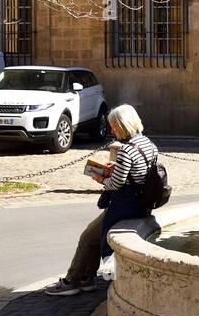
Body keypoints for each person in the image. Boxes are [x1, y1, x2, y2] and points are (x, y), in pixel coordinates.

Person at [45, 104, 159, 297]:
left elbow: (115, 184)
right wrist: (116, 166)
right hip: (141, 203)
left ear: (124, 125)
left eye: (114, 126)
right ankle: (85, 278)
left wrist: (100, 178)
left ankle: (72, 281)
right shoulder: (149, 144)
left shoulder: (126, 150)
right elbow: (139, 172)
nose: (112, 130)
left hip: (125, 206)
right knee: (92, 237)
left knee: (88, 237)